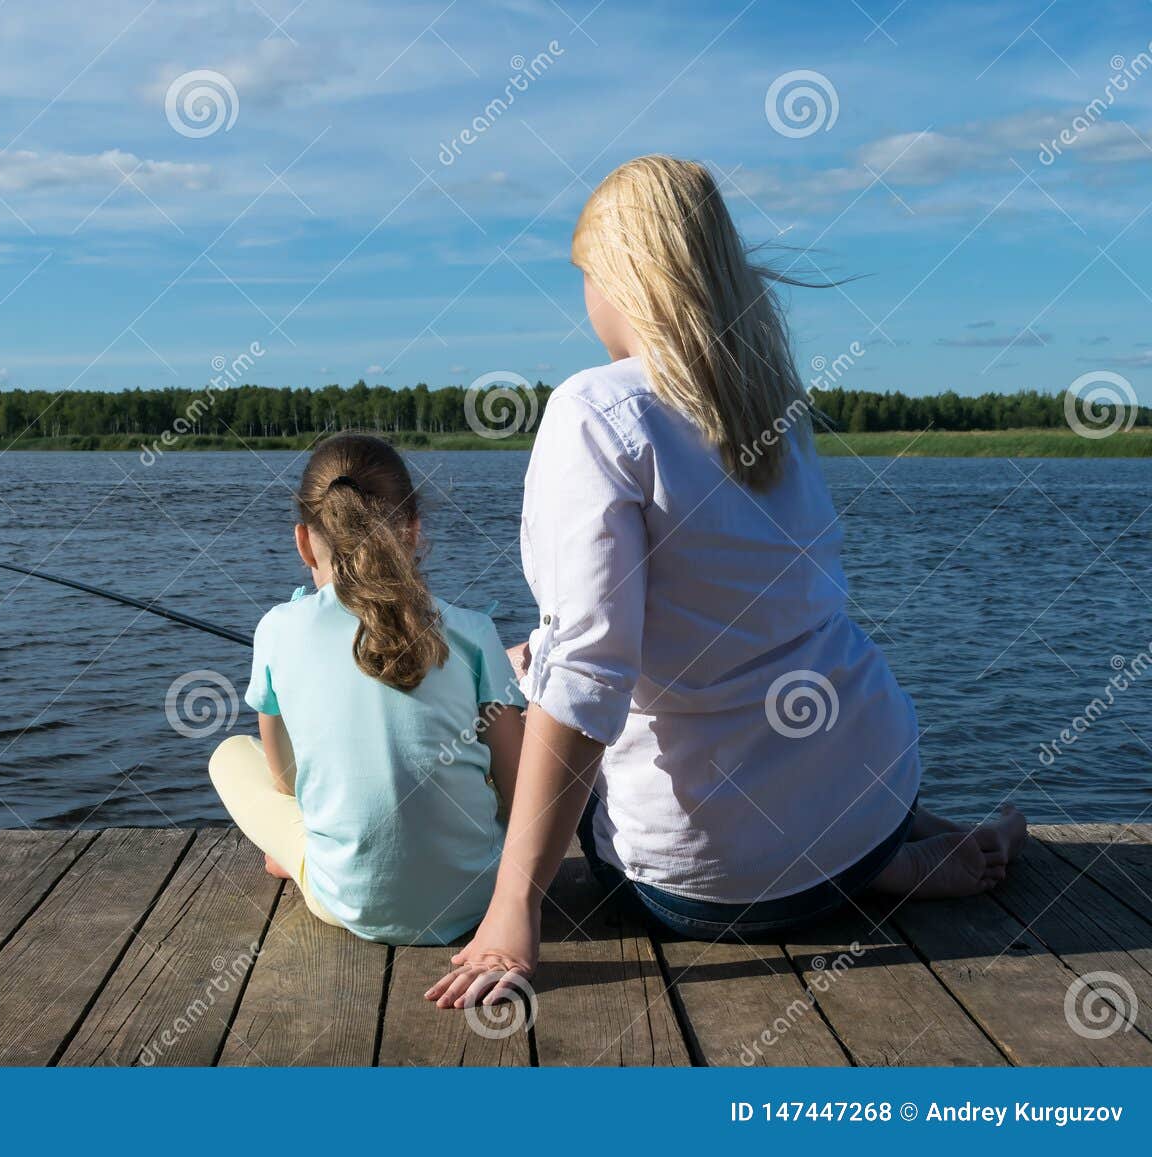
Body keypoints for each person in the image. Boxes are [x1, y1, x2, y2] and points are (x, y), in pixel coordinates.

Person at [427, 155, 1027, 1008]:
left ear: (624, 275)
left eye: (587, 279)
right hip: (874, 785)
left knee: (528, 688)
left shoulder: (595, 410)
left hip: (707, 889)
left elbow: (592, 675)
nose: (586, 304)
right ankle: (892, 848)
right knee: (543, 663)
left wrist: (512, 908)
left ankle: (861, 859)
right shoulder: (770, 405)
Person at [209, 432, 526, 945]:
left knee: (229, 754)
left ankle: (296, 855)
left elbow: (287, 782)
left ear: (302, 541)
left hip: (349, 903)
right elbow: (519, 794)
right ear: (413, 530)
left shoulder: (276, 629)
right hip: (482, 900)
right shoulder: (475, 631)